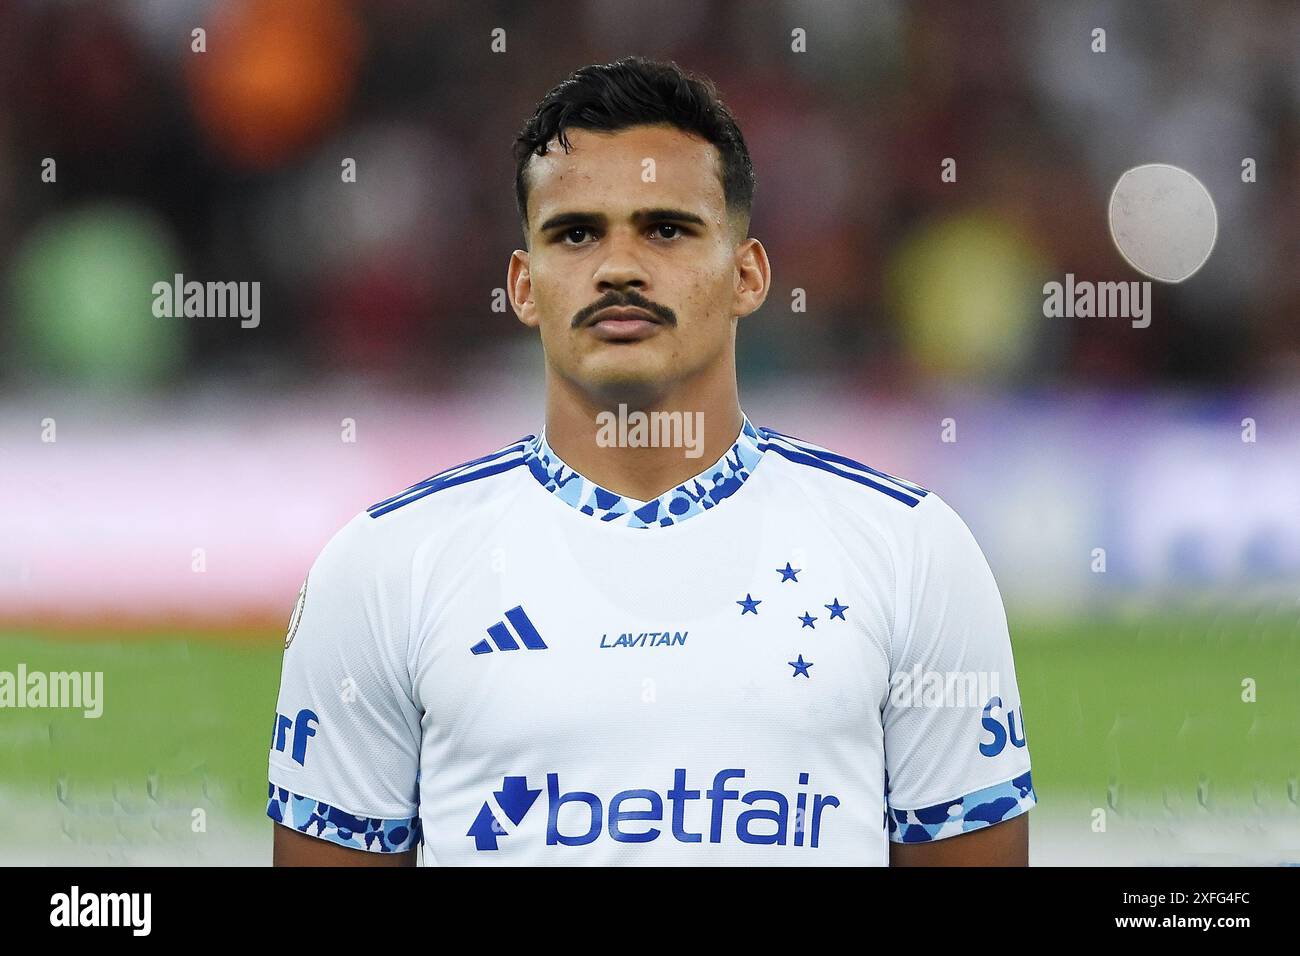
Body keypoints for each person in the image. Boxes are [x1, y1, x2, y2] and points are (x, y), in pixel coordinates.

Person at [268, 56, 1035, 865]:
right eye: (576, 233)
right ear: (524, 287)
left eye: (666, 228)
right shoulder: (383, 568)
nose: (619, 267)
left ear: (747, 274)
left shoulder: (913, 552)